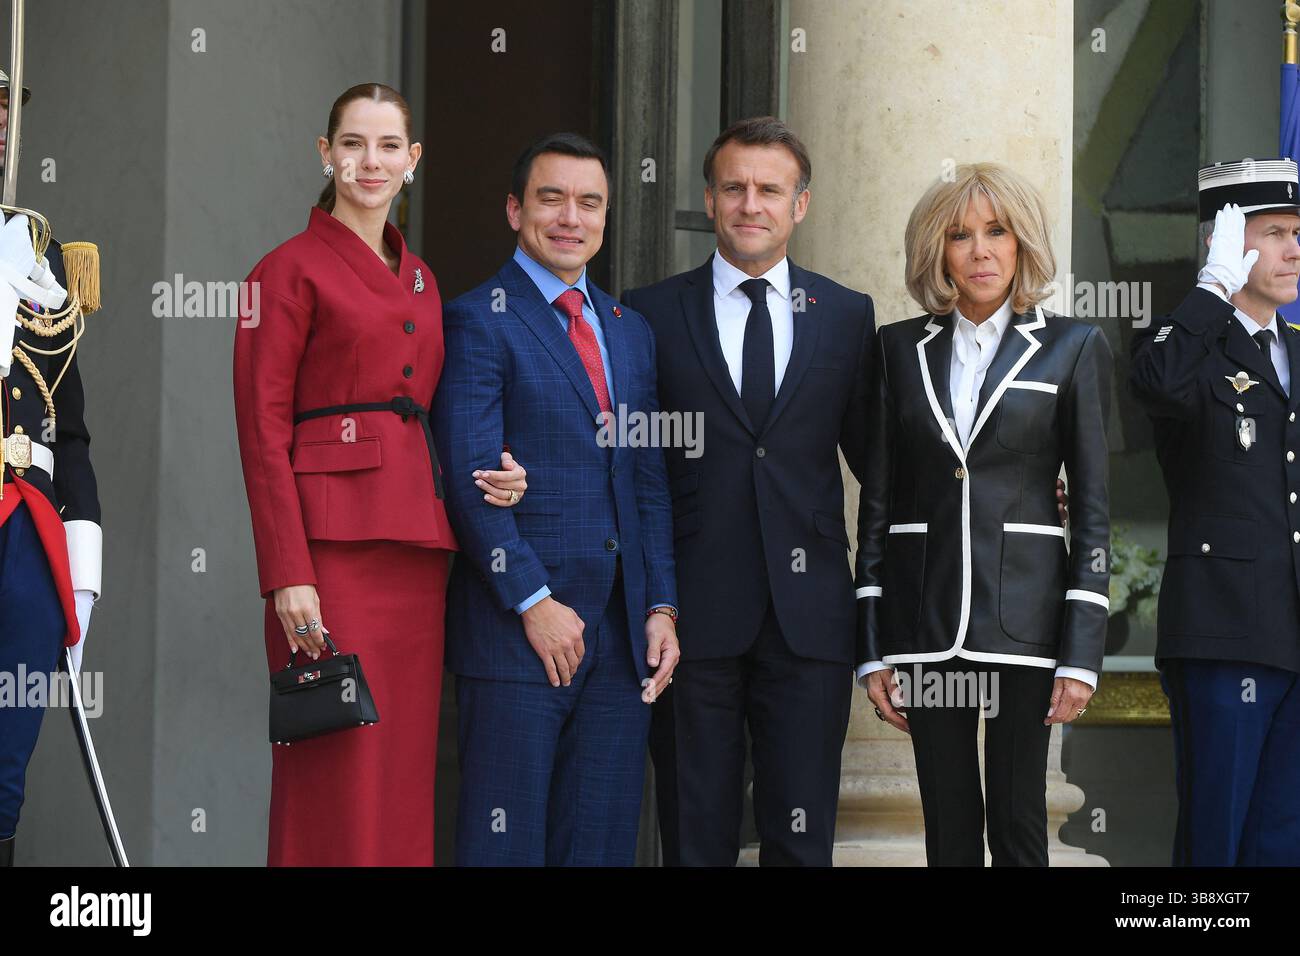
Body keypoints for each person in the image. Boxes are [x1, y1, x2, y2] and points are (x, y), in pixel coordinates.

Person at [233, 83, 526, 866]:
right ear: (324, 154)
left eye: (389, 145)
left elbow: (430, 412)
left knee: (400, 768)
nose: (371, 161)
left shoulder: (424, 280)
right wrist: (287, 574)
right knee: (334, 761)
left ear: (413, 161)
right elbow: (262, 434)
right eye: (353, 144)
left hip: (418, 551)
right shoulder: (283, 271)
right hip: (329, 556)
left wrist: (495, 479)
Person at [623, 117, 874, 866]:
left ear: (801, 205)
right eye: (734, 187)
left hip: (811, 620)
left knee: (802, 841)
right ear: (710, 199)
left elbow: (882, 466)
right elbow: (637, 469)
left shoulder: (846, 316)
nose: (750, 204)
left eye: (770, 189)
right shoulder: (649, 312)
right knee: (694, 834)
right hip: (692, 618)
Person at [433, 132, 680, 867]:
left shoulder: (630, 331)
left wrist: (661, 605)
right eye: (551, 198)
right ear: (515, 210)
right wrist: (533, 601)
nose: (571, 216)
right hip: (517, 638)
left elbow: (646, 482)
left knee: (599, 849)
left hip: (617, 641)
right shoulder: (478, 318)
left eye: (589, 202)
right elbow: (471, 480)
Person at [856, 162, 1112, 866]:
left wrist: (1082, 654)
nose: (980, 250)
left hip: (1027, 626)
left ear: (1022, 242)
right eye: (960, 235)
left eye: (997, 231)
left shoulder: (1073, 346)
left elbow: (1092, 510)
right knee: (948, 827)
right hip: (926, 619)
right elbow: (877, 505)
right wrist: (873, 643)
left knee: (1019, 820)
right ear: (936, 251)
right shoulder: (896, 350)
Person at [1130, 158, 1300, 866]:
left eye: (1299, 232)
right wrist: (1211, 290)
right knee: (1216, 837)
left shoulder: (1294, 350)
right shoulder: (1184, 346)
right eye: (1275, 232)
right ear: (1225, 244)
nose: (1294, 248)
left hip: (1293, 631)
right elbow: (1156, 383)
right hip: (1225, 628)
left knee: (1280, 840)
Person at [0, 68, 103, 867]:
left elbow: (70, 433)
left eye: (6, 108)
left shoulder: (40, 252)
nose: (1, 123)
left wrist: (85, 563)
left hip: (27, 529)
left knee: (5, 765)